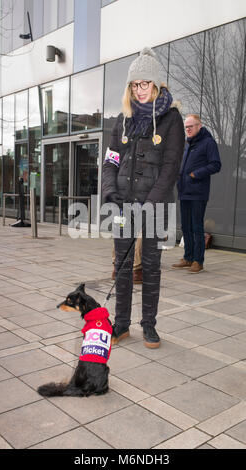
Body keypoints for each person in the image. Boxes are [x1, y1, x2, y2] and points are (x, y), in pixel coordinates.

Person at [102, 47, 185, 348]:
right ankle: (121, 323)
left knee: (150, 266)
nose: (139, 90)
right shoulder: (123, 120)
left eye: (145, 84)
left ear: (156, 84)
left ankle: (149, 325)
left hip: (156, 205)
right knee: (123, 265)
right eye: (135, 85)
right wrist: (110, 190)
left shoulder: (171, 119)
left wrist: (150, 205)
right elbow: (110, 160)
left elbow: (170, 167)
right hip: (123, 203)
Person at [172, 114, 221, 273]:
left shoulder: (208, 143)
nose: (188, 129)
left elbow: (215, 165)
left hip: (198, 193)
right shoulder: (187, 144)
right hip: (184, 192)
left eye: (190, 126)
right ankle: (188, 258)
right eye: (186, 127)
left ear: (199, 126)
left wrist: (195, 174)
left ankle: (198, 261)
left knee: (196, 227)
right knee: (185, 227)